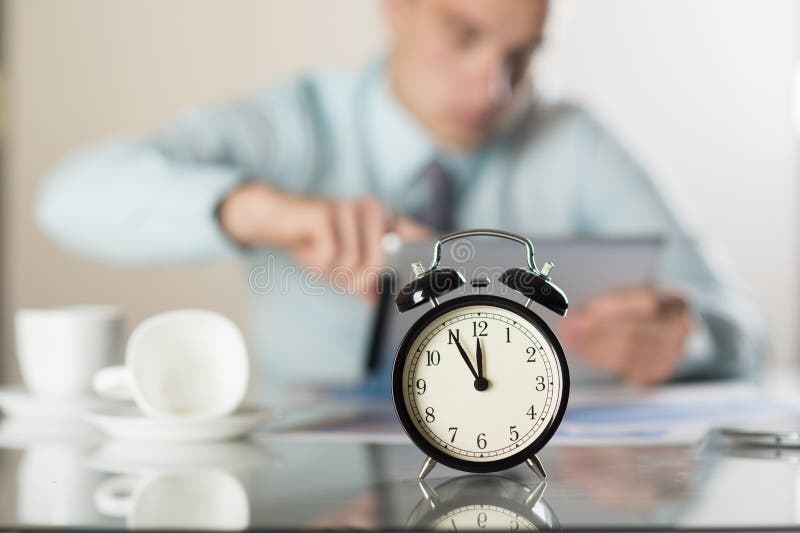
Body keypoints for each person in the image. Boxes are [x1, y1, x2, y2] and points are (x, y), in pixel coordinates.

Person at [36, 0, 764, 398]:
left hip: (537, 476)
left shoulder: (576, 140)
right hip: (315, 486)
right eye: (463, 33)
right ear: (395, 8)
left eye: (522, 54)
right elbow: (70, 198)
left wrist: (682, 339)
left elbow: (737, 320)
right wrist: (264, 213)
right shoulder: (294, 122)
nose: (493, 88)